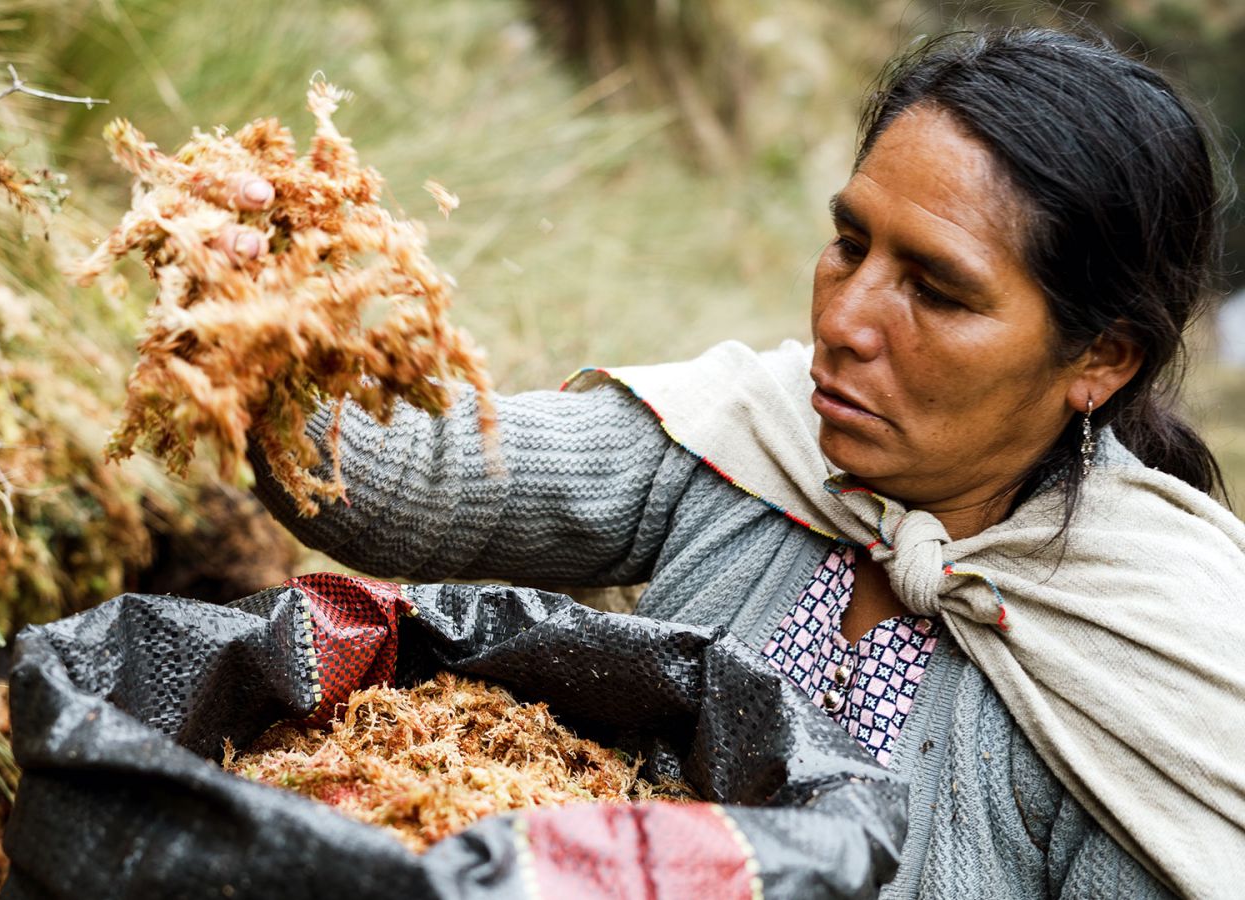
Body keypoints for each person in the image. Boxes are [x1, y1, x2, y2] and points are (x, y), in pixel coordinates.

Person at [246, 28, 1245, 899]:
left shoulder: (1160, 667)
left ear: (1101, 359)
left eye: (936, 292)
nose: (845, 322)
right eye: (849, 243)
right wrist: (244, 304)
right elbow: (403, 481)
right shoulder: (750, 439)